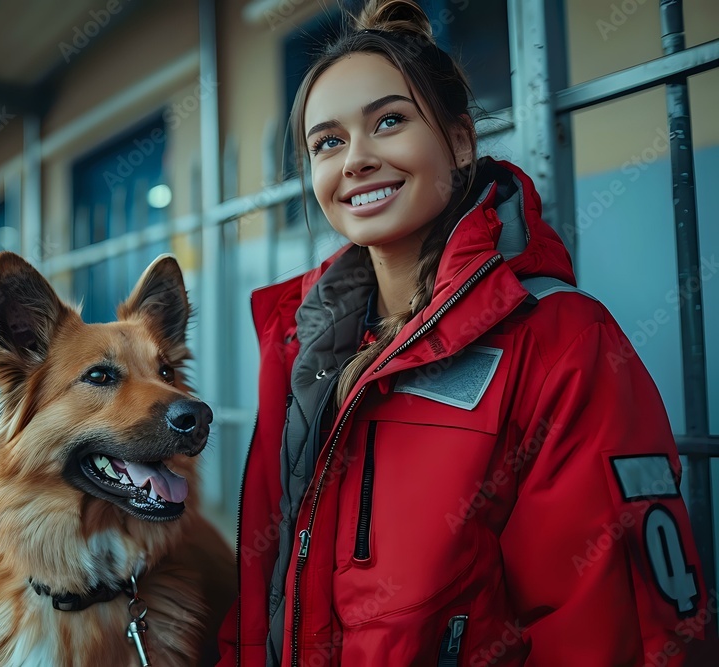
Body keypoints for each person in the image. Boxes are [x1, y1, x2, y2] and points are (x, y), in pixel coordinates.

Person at [216, 1, 709, 665]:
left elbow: (606, 632)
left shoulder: (562, 339)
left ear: (460, 140)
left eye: (388, 121)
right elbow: (261, 591)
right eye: (328, 142)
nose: (356, 159)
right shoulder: (301, 343)